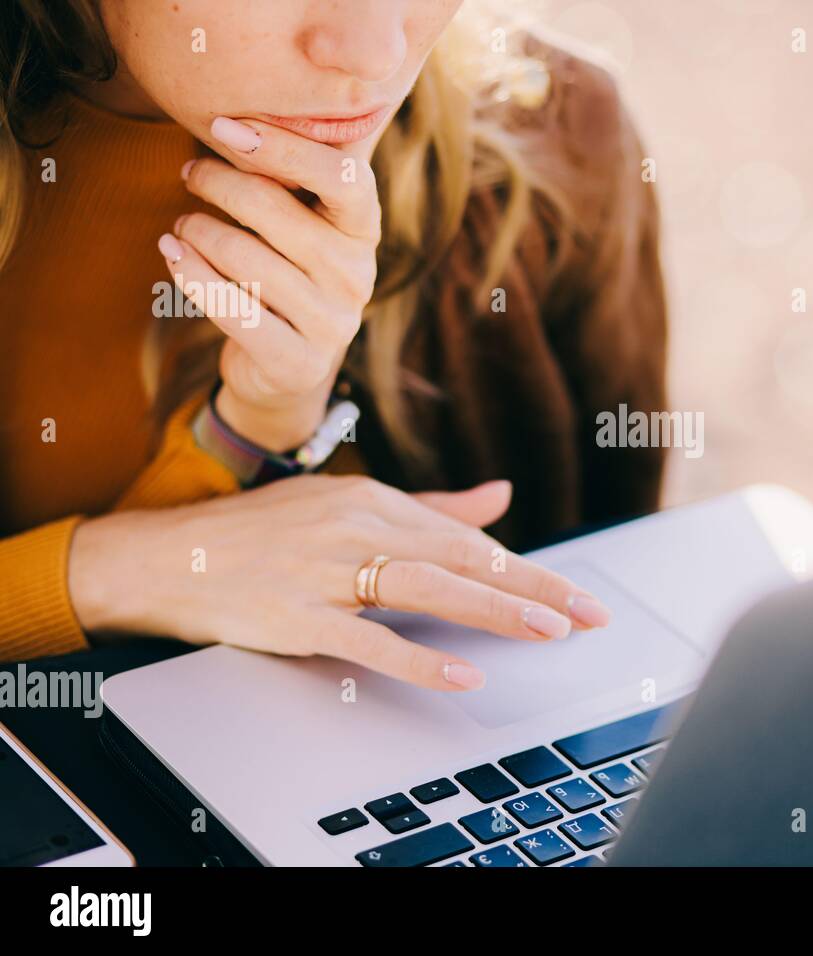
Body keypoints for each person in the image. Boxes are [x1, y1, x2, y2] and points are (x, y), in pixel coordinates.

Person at [0, 0, 668, 690]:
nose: (376, 53)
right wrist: (104, 575)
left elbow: (626, 635)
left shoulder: (552, 131)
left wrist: (260, 426)